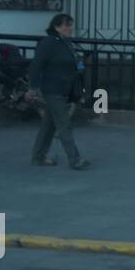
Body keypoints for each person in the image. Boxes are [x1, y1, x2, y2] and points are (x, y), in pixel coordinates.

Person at [27, 13, 91, 170]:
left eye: (71, 24)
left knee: (49, 125)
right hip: (53, 89)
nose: (70, 28)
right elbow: (36, 65)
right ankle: (74, 159)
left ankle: (38, 156)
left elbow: (74, 63)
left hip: (65, 89)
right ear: (56, 27)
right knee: (64, 124)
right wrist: (33, 88)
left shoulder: (66, 43)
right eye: (66, 25)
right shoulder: (48, 43)